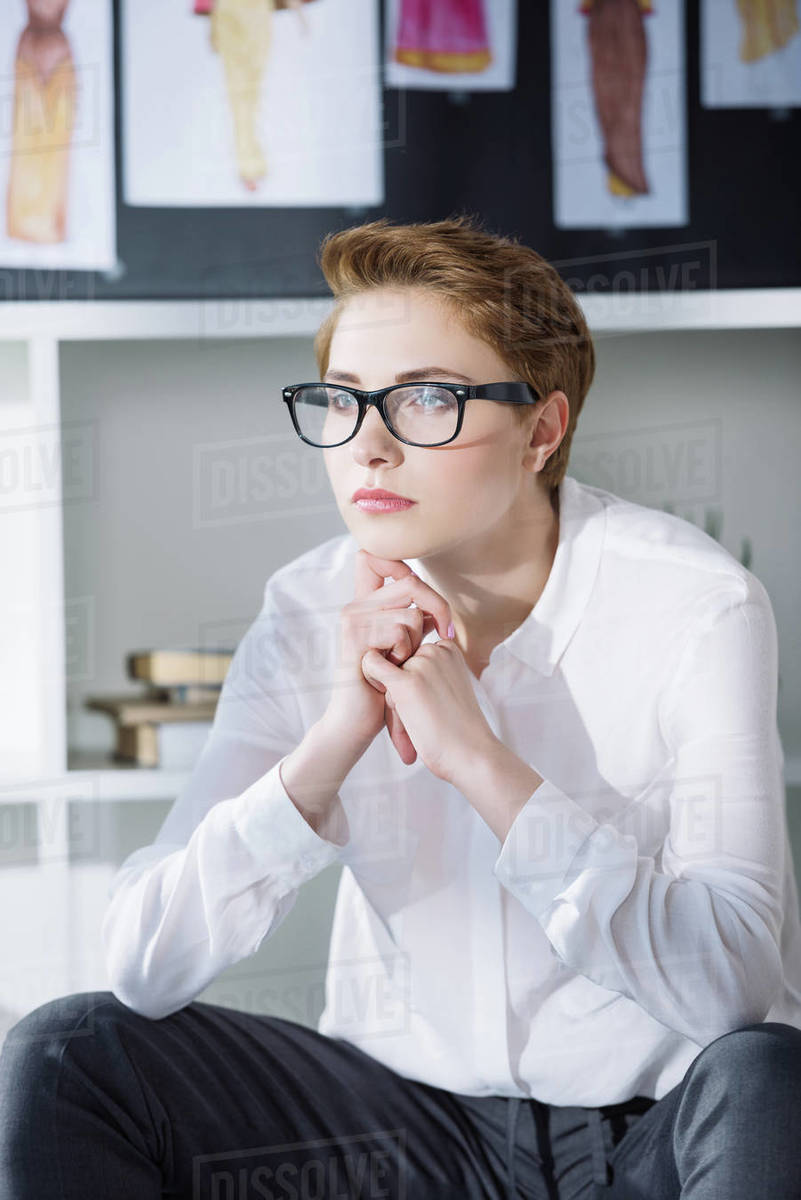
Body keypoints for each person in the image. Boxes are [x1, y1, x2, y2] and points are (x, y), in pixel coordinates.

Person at [2, 213, 801, 1198]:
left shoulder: (695, 601)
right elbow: (143, 965)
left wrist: (485, 766)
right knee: (69, 1051)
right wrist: (330, 744)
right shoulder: (307, 610)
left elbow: (733, 991)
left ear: (541, 430)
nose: (368, 446)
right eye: (342, 401)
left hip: (652, 1136)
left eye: (426, 399)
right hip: (402, 1136)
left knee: (772, 1075)